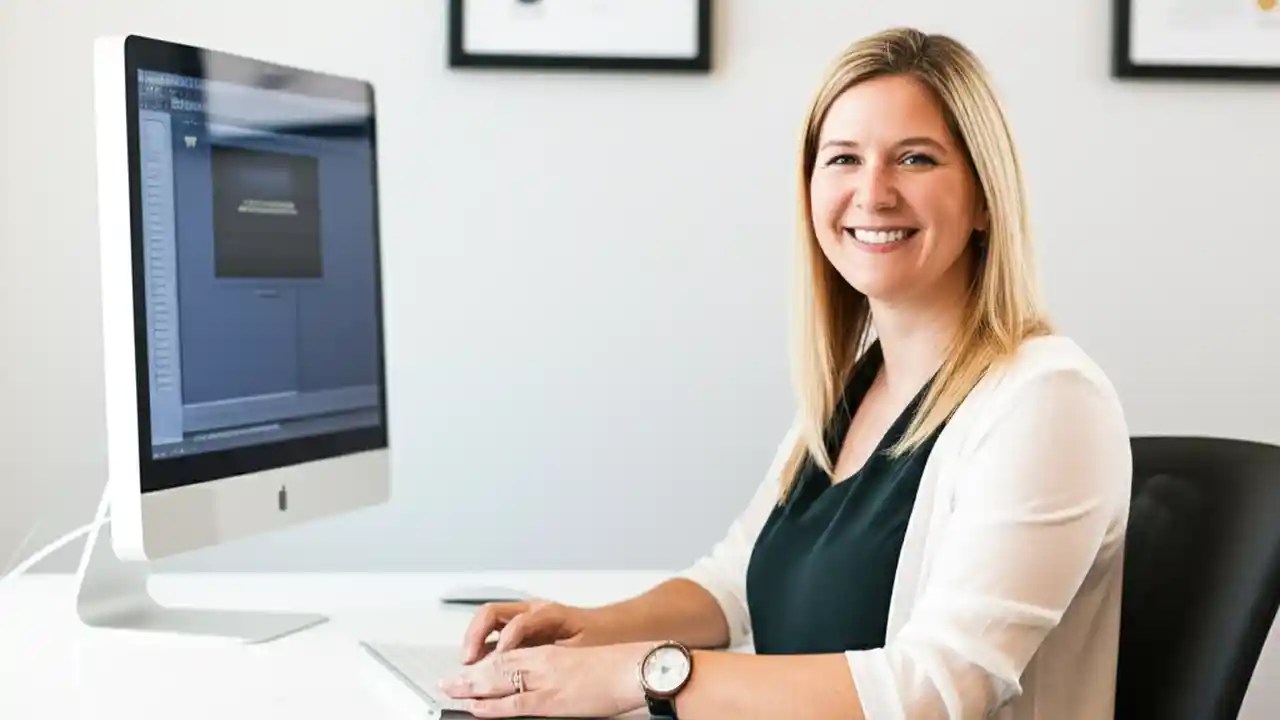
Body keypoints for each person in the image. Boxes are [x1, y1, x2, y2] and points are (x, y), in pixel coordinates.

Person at [441, 26, 1131, 720]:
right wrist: (584, 632)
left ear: (985, 198)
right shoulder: (855, 390)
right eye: (842, 159)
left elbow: (938, 687)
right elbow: (737, 583)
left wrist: (640, 674)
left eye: (916, 159)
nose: (873, 192)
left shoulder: (1047, 399)